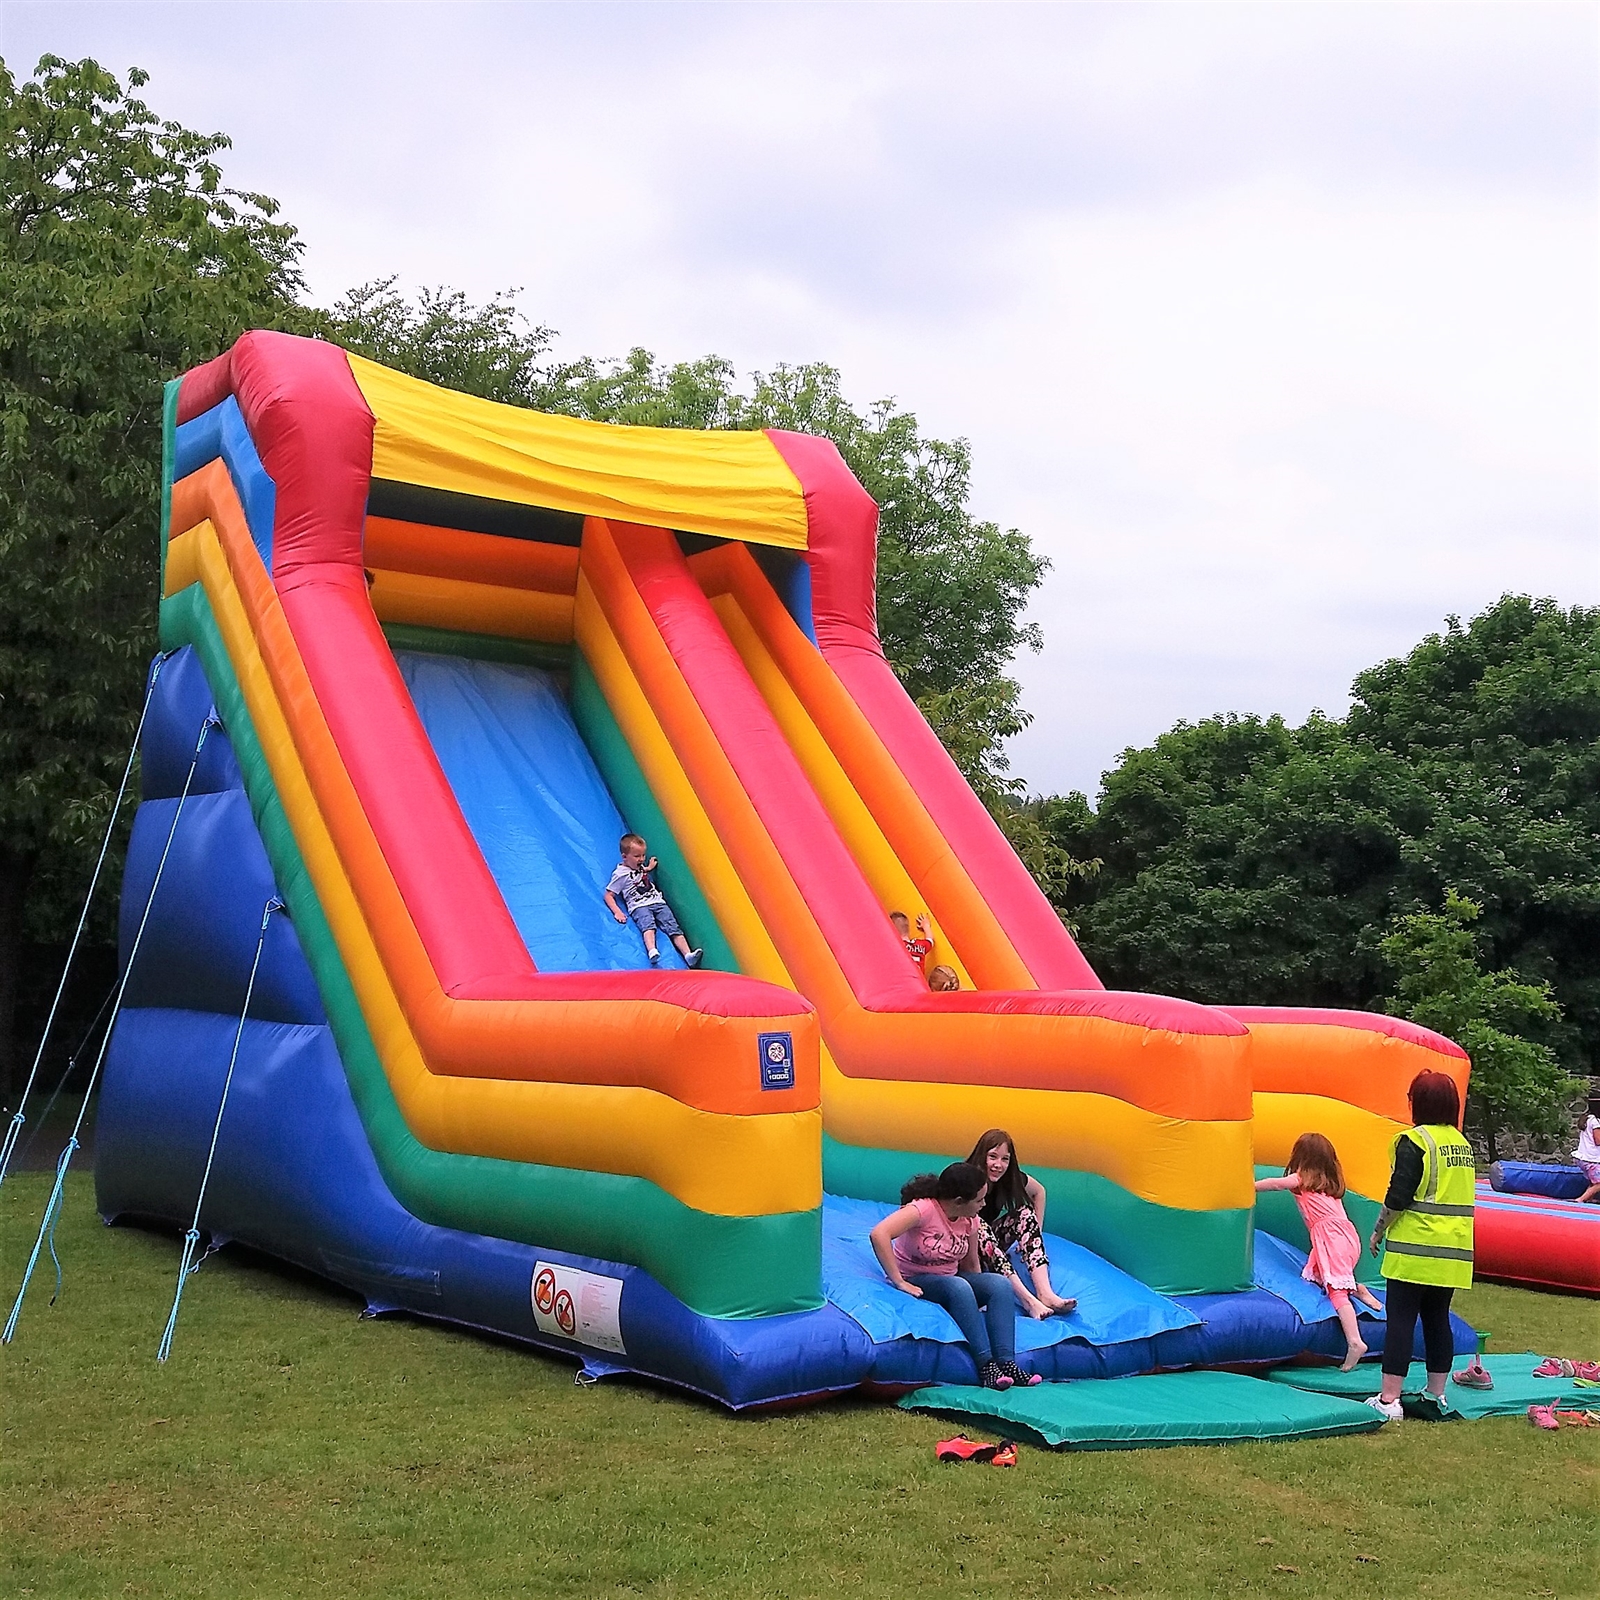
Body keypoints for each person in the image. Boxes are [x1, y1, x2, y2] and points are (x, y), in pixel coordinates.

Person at [869, 1162, 1043, 1391]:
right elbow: (879, 1233)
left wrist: (979, 1296)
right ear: (959, 1201)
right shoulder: (923, 1210)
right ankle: (986, 1365)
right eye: (979, 1200)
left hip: (949, 1277)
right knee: (958, 1287)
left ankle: (1006, 1362)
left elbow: (971, 1263)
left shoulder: (970, 1219)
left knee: (999, 1284)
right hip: (916, 1277)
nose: (983, 1204)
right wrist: (899, 1280)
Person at [1364, 1069, 1476, 1421]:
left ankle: (1389, 1399)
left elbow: (1398, 1196)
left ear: (1417, 1103)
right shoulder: (1463, 1146)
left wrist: (1378, 1230)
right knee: (1437, 1320)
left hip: (1415, 1250)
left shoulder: (1414, 1142)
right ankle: (1436, 1394)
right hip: (1453, 1254)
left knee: (1400, 1321)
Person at [1255, 1133, 1385, 1371]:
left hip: (1332, 1240)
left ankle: (1355, 1341)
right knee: (1318, 1277)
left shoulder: (1301, 1179)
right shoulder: (1328, 1184)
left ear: (1300, 1157)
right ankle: (1360, 1290)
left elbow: (1275, 1184)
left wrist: (1249, 1187)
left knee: (1335, 1291)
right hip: (1345, 1237)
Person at [967, 1129, 1076, 1316]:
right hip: (965, 1248)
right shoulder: (968, 1178)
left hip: (988, 1244)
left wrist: (1034, 1235)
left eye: (1005, 1159)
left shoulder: (1008, 1178)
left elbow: (1039, 1192)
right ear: (981, 1155)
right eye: (992, 1157)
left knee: (1025, 1212)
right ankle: (1028, 1301)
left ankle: (1045, 1293)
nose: (998, 1165)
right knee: (978, 1224)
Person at [604, 833, 702, 968]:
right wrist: (617, 912)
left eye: (643, 855)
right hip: (639, 905)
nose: (641, 859)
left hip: (657, 901)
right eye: (637, 856)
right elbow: (609, 895)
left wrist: (649, 867)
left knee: (673, 927)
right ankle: (652, 950)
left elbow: (642, 871)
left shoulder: (639, 867)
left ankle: (687, 954)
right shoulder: (620, 874)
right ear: (624, 857)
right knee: (648, 926)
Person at [1573, 1094, 1600, 1204]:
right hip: (1591, 1159)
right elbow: (1598, 1141)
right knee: (1599, 1183)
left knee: (1594, 1181)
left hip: (1582, 1158)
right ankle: (1580, 1200)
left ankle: (1588, 1199)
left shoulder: (1587, 1119)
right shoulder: (1595, 1122)